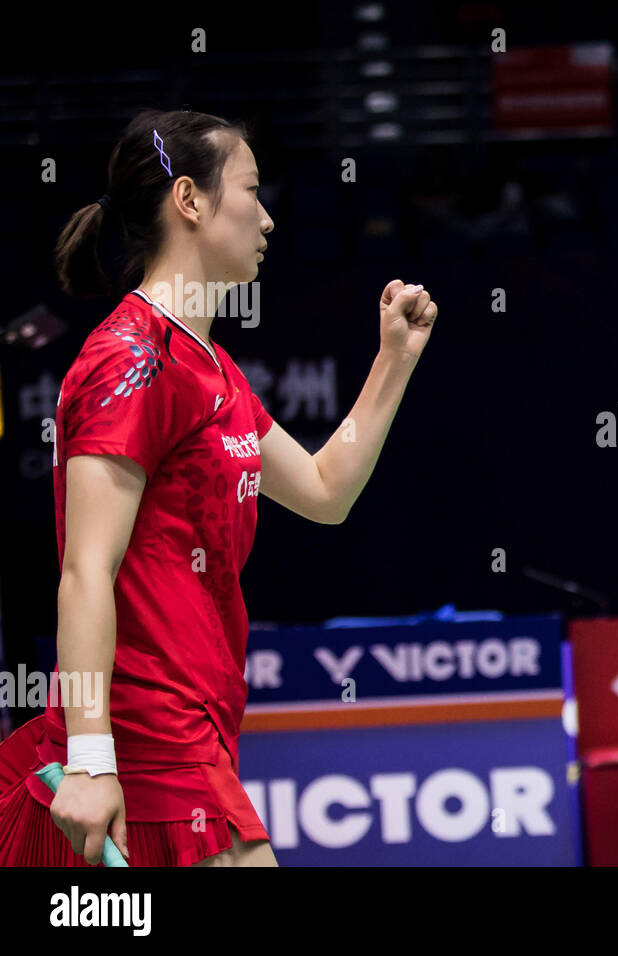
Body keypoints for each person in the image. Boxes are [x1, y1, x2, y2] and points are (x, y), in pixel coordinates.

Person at [0, 108, 437, 866]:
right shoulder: (132, 360)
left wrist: (392, 361)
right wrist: (94, 757)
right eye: (251, 191)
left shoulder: (210, 369)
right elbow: (84, 570)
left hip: (197, 731)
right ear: (190, 201)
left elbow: (327, 491)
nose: (267, 219)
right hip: (144, 741)